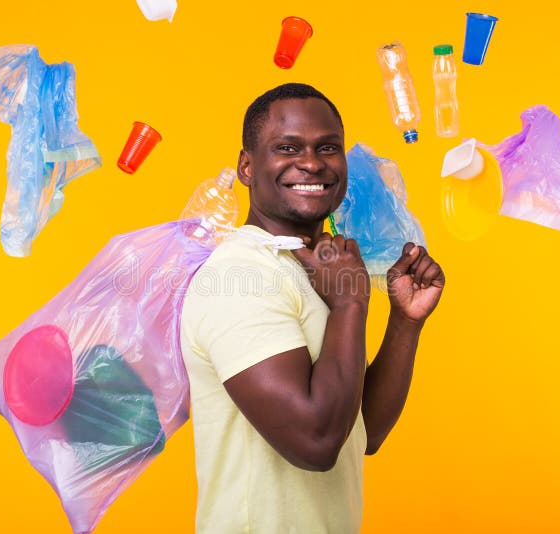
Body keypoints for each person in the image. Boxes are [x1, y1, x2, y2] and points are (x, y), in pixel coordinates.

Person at [180, 83, 445, 533]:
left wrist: (405, 321)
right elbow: (315, 442)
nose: (312, 163)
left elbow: (359, 431)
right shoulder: (241, 276)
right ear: (247, 166)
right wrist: (350, 302)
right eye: (287, 147)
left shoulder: (315, 268)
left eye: (328, 147)